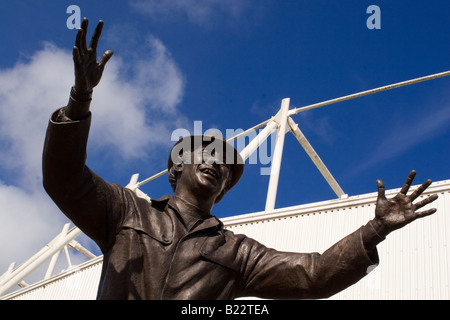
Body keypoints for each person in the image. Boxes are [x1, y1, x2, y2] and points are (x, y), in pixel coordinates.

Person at [42, 19, 438, 300]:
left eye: (227, 167)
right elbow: (63, 179)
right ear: (178, 166)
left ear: (225, 189)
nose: (217, 164)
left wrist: (374, 230)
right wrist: (80, 101)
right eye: (207, 154)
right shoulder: (127, 212)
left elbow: (313, 275)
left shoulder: (236, 253)